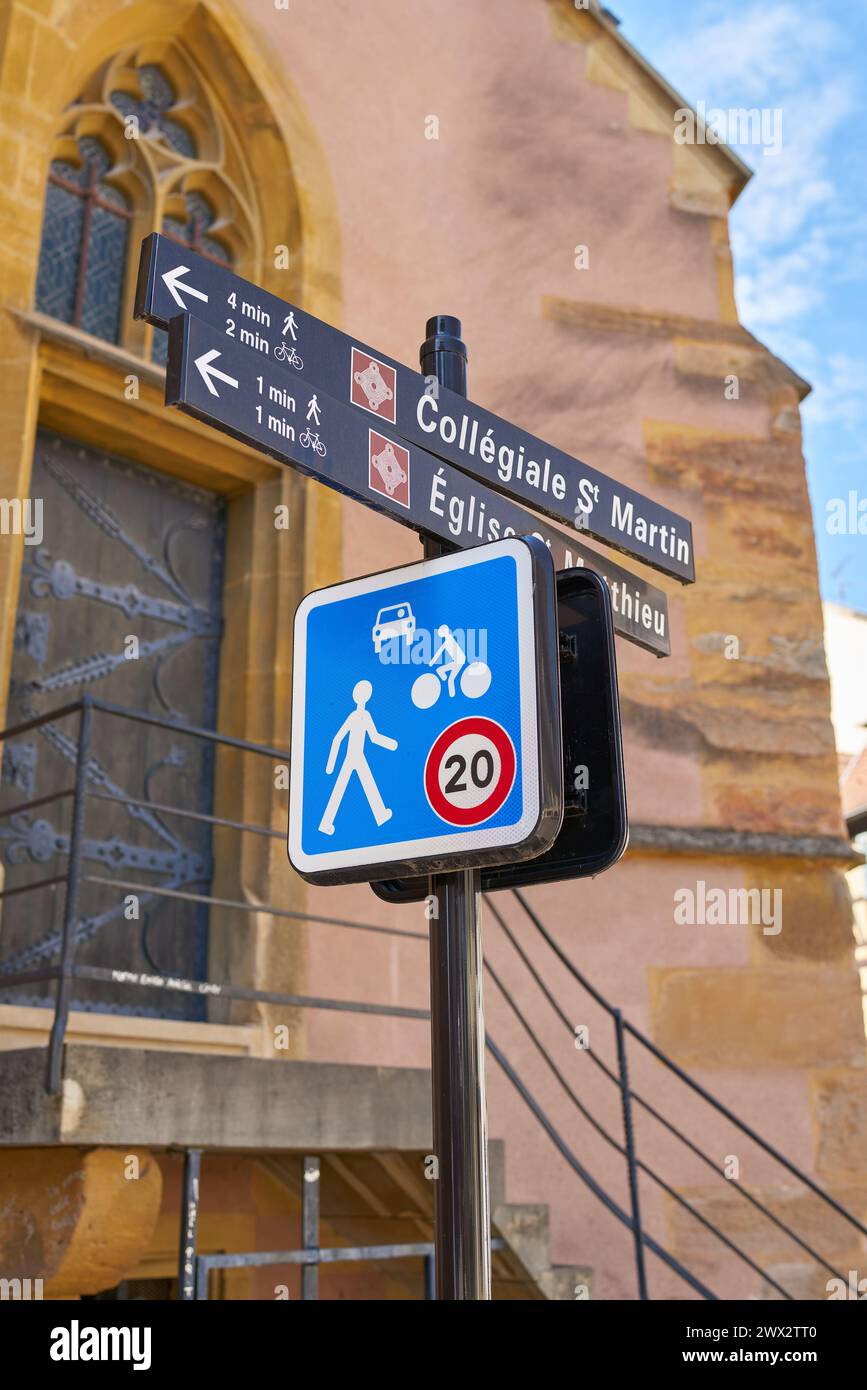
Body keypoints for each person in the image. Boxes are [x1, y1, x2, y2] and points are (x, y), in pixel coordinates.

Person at [318, 679, 397, 835]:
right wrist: (330, 765)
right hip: (353, 756)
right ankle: (326, 823)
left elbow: (372, 737)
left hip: (356, 755)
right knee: (346, 787)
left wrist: (391, 744)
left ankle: (379, 815)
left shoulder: (360, 715)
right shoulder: (357, 715)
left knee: (354, 785)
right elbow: (338, 738)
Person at [430, 624, 466, 698]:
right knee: (439, 670)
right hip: (456, 662)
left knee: (450, 680)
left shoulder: (449, 639)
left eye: (441, 632)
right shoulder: (447, 641)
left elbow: (440, 650)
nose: (440, 634)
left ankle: (452, 697)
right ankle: (444, 679)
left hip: (459, 662)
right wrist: (432, 661)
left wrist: (432, 661)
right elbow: (440, 651)